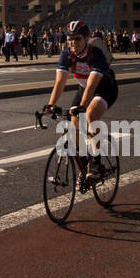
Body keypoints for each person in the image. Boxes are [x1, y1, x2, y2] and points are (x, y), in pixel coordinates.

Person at [39, 19, 119, 191]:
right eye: (70, 39)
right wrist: (51, 104)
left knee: (90, 114)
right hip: (84, 89)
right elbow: (60, 83)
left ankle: (96, 164)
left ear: (86, 39)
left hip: (104, 88)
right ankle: (84, 164)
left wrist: (82, 106)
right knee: (73, 124)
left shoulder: (95, 54)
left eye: (77, 39)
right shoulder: (67, 54)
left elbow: (91, 86)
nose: (73, 43)